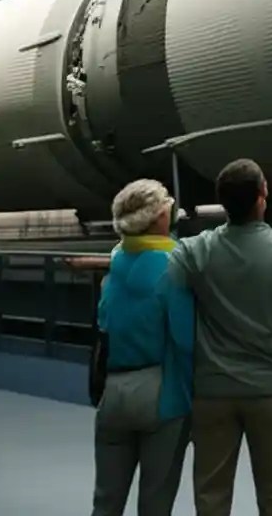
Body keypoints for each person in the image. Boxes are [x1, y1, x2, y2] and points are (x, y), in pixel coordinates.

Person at [165, 158, 272, 516]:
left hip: (213, 391)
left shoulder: (195, 251)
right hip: (271, 391)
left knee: (211, 497)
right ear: (262, 196)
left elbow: (160, 272)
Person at [92, 179, 194, 516]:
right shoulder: (175, 266)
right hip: (161, 394)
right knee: (156, 501)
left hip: (114, 392)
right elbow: (185, 338)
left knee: (106, 500)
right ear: (158, 218)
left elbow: (104, 323)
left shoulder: (117, 263)